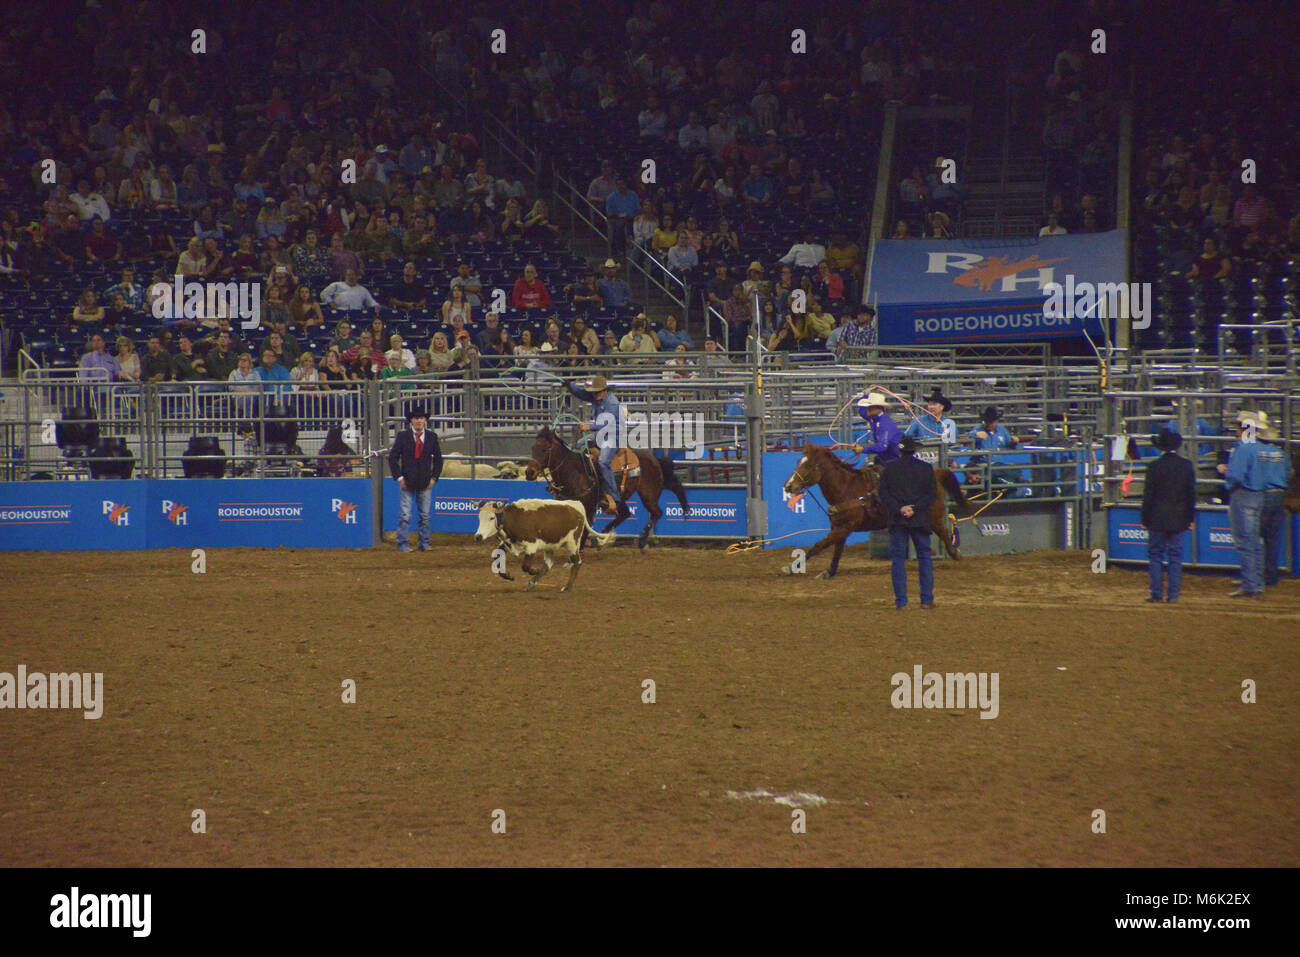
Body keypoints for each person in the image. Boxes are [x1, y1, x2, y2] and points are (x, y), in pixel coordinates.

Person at [1218, 411, 1292, 597]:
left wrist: (1227, 477)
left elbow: (1236, 475)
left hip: (1244, 495)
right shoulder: (1261, 448)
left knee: (1246, 541)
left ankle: (1250, 584)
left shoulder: (1244, 448)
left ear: (1242, 429)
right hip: (1259, 495)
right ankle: (1257, 582)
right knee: (1256, 543)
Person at [878, 436, 937, 609]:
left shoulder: (889, 469)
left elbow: (884, 495)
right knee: (924, 558)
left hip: (898, 519)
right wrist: (915, 509)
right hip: (919, 519)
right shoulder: (926, 469)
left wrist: (900, 508)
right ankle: (926, 600)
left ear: (900, 450)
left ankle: (901, 601)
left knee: (898, 559)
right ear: (915, 450)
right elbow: (931, 495)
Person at [1141, 429, 1196, 604]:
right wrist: (1190, 518)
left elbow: (1148, 495)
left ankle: (1156, 594)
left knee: (1155, 555)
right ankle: (1173, 595)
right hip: (1179, 518)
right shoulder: (1186, 466)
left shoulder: (1154, 467)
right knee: (1175, 556)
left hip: (1157, 517)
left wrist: (1144, 519)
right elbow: (1190, 495)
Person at [565, 374, 625, 514]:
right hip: (601, 434)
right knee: (578, 447)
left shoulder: (612, 403)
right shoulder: (597, 396)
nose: (594, 394)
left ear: (604, 391)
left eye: (597, 392)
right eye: (594, 392)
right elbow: (581, 392)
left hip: (613, 435)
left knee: (604, 461)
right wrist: (569, 385)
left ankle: (614, 496)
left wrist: (588, 427)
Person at [387, 407, 443, 552]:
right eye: (416, 418)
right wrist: (400, 478)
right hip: (408, 481)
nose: (418, 420)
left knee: (424, 515)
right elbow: (393, 458)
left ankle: (424, 543)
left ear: (425, 420)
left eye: (421, 418)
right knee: (405, 515)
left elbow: (438, 460)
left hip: (424, 481)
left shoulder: (431, 437)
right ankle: (403, 543)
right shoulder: (403, 436)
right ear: (411, 420)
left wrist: (433, 478)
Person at [852, 392, 902, 465]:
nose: (868, 408)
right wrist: (864, 395)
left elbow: (882, 446)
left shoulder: (885, 424)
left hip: (894, 462)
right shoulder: (874, 418)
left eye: (871, 406)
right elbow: (861, 411)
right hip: (885, 459)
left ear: (879, 408)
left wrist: (863, 449)